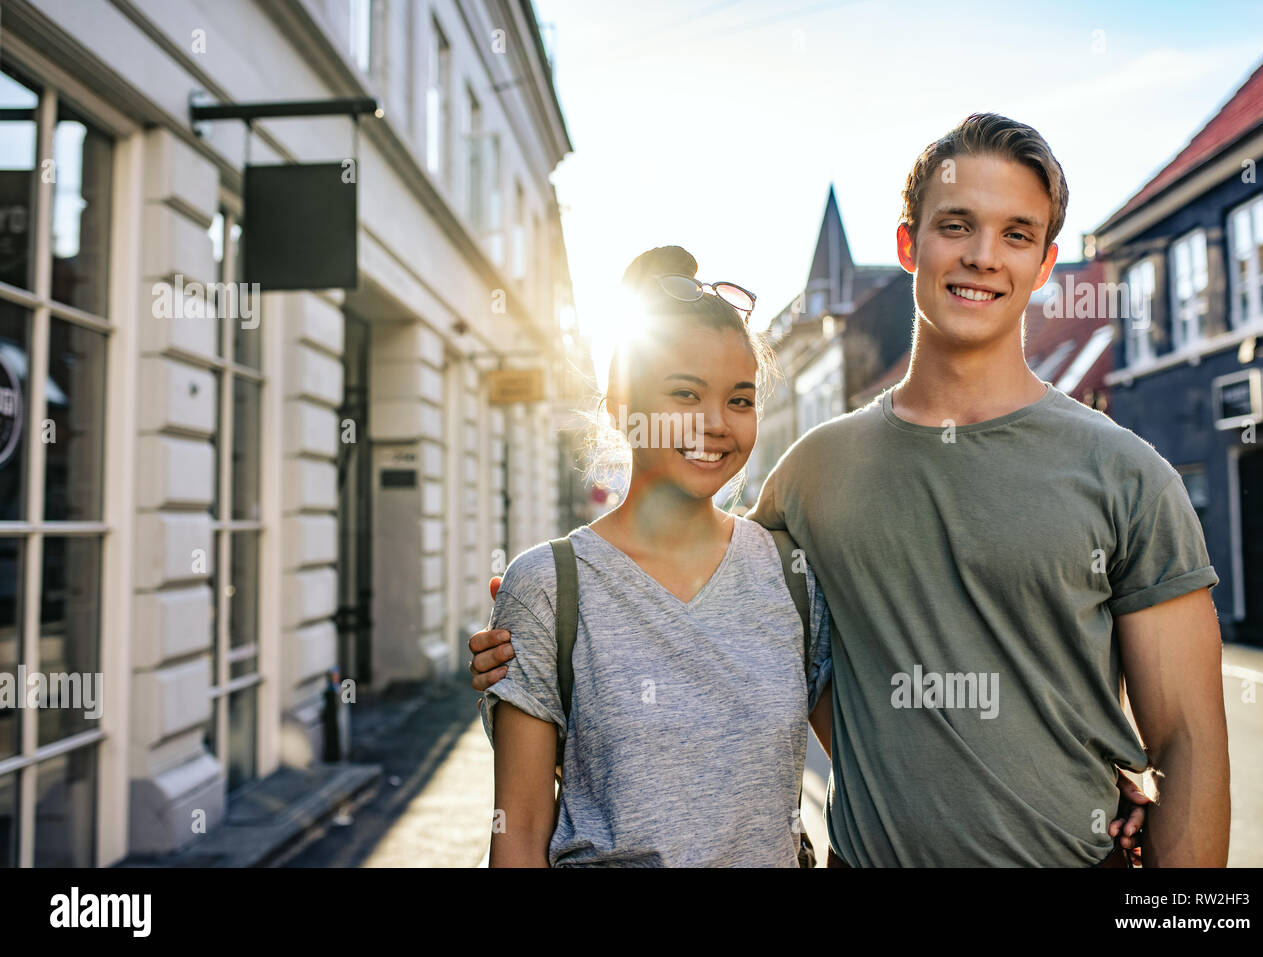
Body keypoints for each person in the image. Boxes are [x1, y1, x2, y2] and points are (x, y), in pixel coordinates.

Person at [475, 114, 1204, 868]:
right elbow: (531, 812)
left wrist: (1084, 781)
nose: (984, 256)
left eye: (1016, 233)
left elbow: (1181, 743)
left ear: (1048, 261)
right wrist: (529, 635)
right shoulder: (814, 474)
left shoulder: (1125, 474)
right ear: (907, 246)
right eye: (957, 225)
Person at [479, 245, 835, 867]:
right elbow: (518, 832)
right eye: (685, 394)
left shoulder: (792, 575)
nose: (717, 423)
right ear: (621, 408)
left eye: (741, 399)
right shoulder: (547, 587)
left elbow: (878, 768)